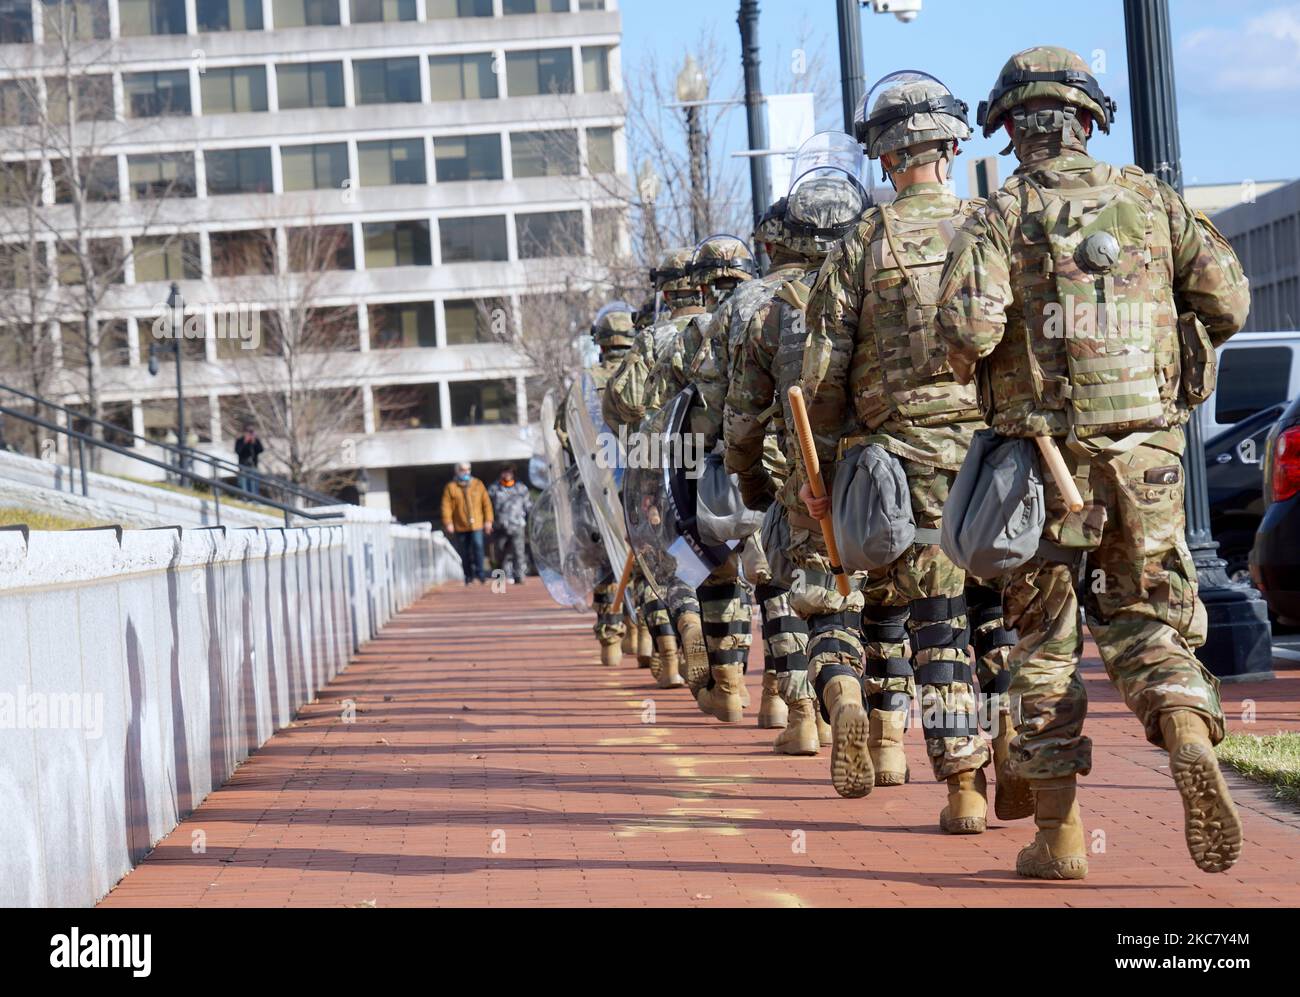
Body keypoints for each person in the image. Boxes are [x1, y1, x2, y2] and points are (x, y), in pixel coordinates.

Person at [936, 46, 1250, 878]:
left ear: (1010, 129)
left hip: (1041, 462)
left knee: (1041, 640)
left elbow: (967, 331)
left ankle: (1059, 838)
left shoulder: (999, 213)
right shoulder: (1151, 198)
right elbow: (1230, 299)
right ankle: (1183, 724)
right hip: (1146, 452)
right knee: (1145, 614)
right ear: (1087, 120)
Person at [800, 74, 1024, 832]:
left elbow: (823, 374)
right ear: (954, 147)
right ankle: (1017, 730)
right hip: (996, 455)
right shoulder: (991, 225)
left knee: (937, 622)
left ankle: (963, 783)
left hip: (905, 464)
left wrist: (822, 474)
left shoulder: (861, 243)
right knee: (1002, 611)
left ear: (884, 160)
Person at [725, 135, 868, 755]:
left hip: (807, 471)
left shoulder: (764, 307)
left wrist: (749, 480)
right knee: (916, 609)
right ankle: (939, 752)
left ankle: (819, 705)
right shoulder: (883, 284)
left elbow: (741, 411)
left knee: (808, 593)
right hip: (903, 466)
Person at [602, 248, 704, 688]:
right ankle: (763, 688)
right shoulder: (723, 323)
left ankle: (674, 638)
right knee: (725, 567)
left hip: (662, 465)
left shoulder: (653, 338)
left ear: (664, 290)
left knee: (665, 558)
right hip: (719, 464)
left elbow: (622, 403)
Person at [441, 462, 493, 585]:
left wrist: (488, 521)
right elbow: (446, 506)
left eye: (468, 469)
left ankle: (481, 575)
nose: (466, 472)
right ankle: (468, 577)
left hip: (477, 524)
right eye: (463, 470)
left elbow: (487, 504)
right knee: (464, 551)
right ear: (457, 471)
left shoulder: (478, 484)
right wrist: (448, 522)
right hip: (460, 525)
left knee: (478, 547)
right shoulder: (451, 487)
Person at [488, 464, 532, 584]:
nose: (507, 475)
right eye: (504, 472)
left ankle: (520, 577)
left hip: (517, 525)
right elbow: (488, 507)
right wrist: (488, 522)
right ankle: (500, 578)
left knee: (519, 552)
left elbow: (528, 506)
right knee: (500, 552)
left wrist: (531, 521)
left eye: (509, 472)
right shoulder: (493, 489)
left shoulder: (521, 488)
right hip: (499, 526)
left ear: (513, 474)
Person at [234, 424, 263, 496]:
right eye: (248, 431)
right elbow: (238, 451)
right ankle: (245, 498)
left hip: (253, 465)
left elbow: (261, 450)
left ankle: (255, 499)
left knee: (254, 484)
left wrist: (254, 443)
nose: (249, 433)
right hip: (243, 465)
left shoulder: (255, 441)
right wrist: (245, 442)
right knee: (244, 483)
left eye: (251, 431)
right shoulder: (240, 441)